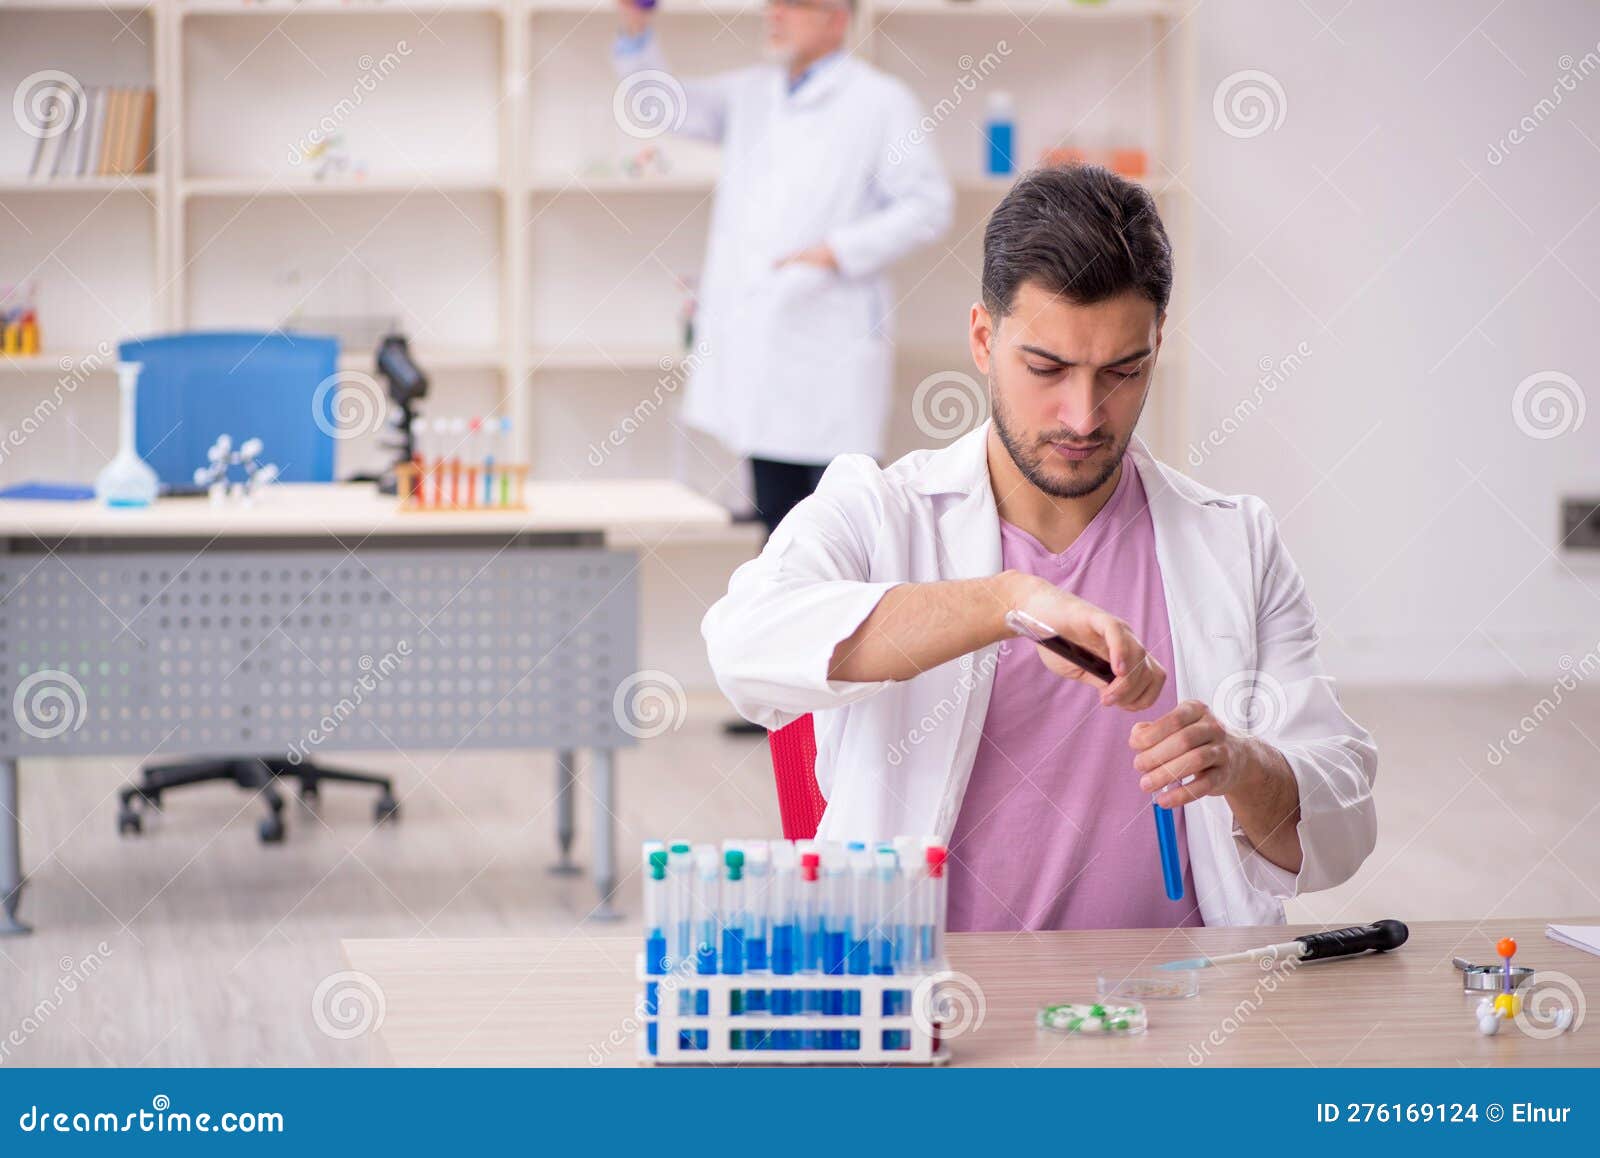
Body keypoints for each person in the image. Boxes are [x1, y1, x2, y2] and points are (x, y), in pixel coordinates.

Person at [701, 165, 1377, 929]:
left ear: (1156, 344)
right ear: (985, 340)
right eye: (1047, 369)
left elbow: (1345, 820)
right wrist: (1008, 602)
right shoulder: (880, 511)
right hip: (940, 1010)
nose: (1084, 415)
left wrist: (1245, 766)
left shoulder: (1234, 540)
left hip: (1180, 1015)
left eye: (1122, 371)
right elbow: (743, 645)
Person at [612, 0, 952, 534]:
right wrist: (636, 30)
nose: (774, 13)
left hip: (831, 348)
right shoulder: (753, 93)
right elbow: (662, 104)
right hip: (769, 353)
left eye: (793, 5)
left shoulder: (879, 102)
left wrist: (836, 250)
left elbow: (929, 206)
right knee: (776, 534)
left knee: (840, 532)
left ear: (837, 17)